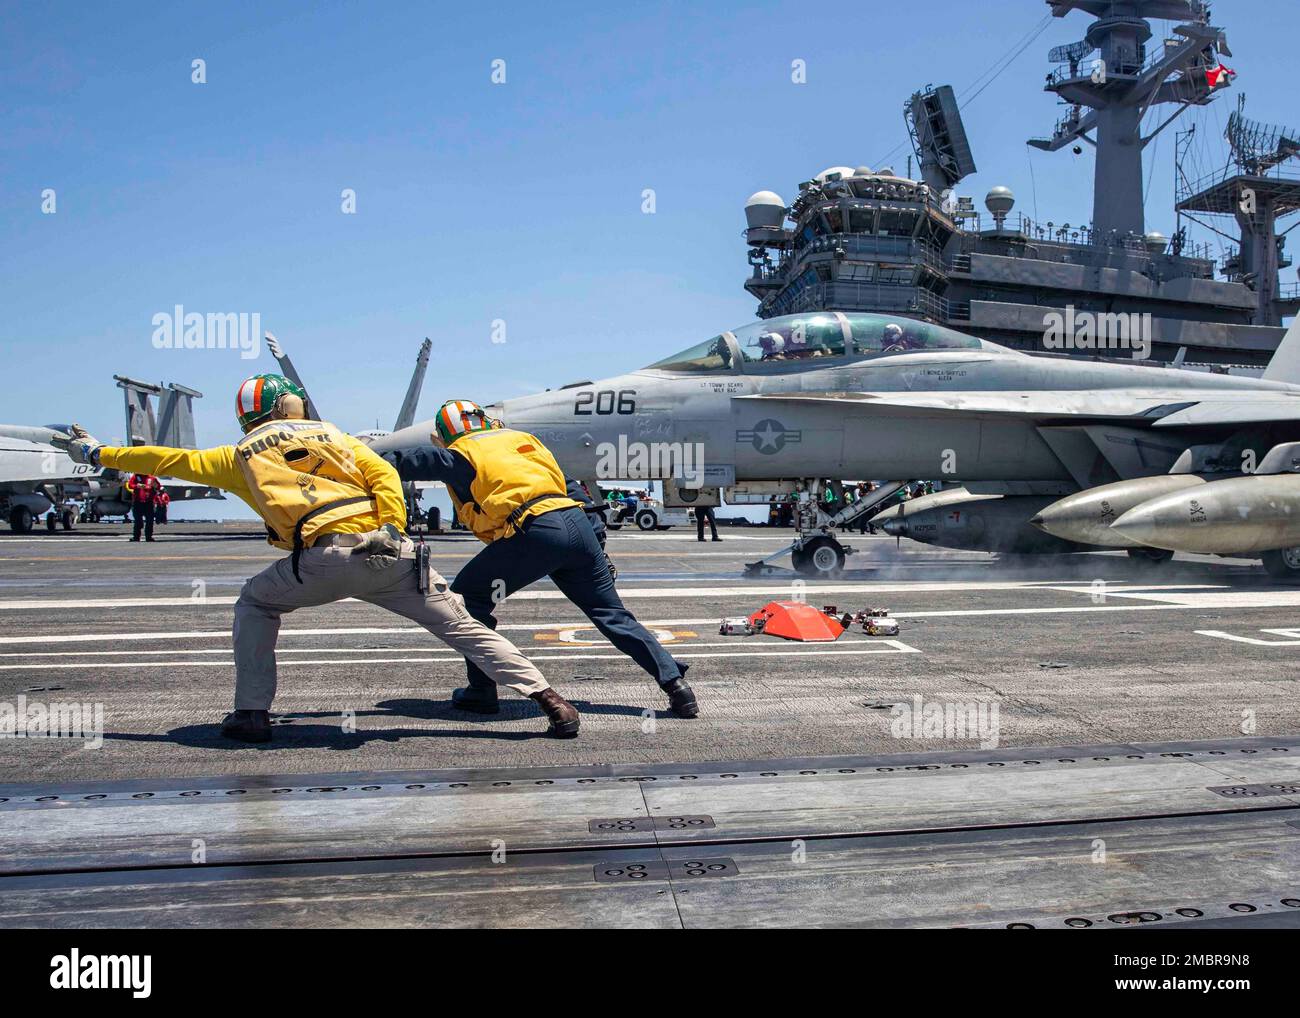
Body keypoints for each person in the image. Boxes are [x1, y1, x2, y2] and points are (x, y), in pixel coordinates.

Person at [60, 375, 579, 742]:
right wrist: (393, 527)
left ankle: (252, 714)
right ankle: (550, 700)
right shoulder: (334, 434)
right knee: (464, 626)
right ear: (289, 405)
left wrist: (98, 453)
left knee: (255, 604)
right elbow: (384, 476)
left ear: (249, 414)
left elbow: (165, 459)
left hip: (322, 558)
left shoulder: (236, 455)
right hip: (391, 551)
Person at [385, 400, 699, 719]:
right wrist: (597, 548)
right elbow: (572, 490)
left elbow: (412, 460)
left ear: (445, 433)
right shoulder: (525, 442)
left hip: (536, 533)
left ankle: (481, 690)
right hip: (579, 530)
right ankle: (676, 687)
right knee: (612, 615)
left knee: (469, 599)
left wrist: (358, 462)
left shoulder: (460, 452)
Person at [125, 472, 161, 541]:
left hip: (149, 503)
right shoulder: (136, 476)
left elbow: (158, 486)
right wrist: (137, 486)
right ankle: (136, 537)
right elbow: (130, 485)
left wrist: (155, 485)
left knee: (149, 521)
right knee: (138, 520)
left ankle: (148, 537)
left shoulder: (152, 478)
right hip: (138, 502)